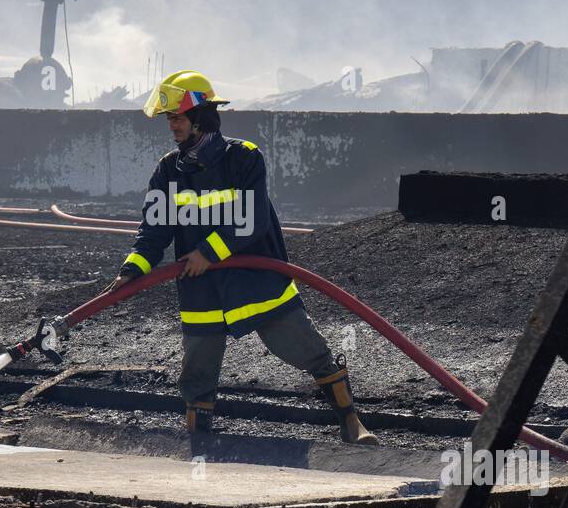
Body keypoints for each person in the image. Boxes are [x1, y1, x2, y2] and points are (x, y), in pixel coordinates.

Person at [107, 70, 378, 445]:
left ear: (201, 118)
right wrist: (131, 269)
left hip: (256, 280)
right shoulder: (168, 170)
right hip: (201, 290)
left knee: (304, 348)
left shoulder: (244, 158)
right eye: (169, 118)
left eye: (178, 117)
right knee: (197, 370)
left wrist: (208, 252)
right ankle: (199, 444)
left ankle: (351, 422)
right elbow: (154, 232)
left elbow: (252, 220)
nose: (172, 126)